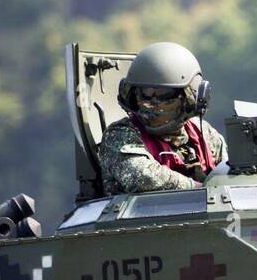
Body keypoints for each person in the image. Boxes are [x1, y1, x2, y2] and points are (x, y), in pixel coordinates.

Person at [97, 41, 227, 194]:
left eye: (163, 94)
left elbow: (228, 174)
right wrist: (201, 189)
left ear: (189, 97)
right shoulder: (120, 135)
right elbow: (143, 178)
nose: (152, 102)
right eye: (146, 92)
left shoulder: (204, 134)